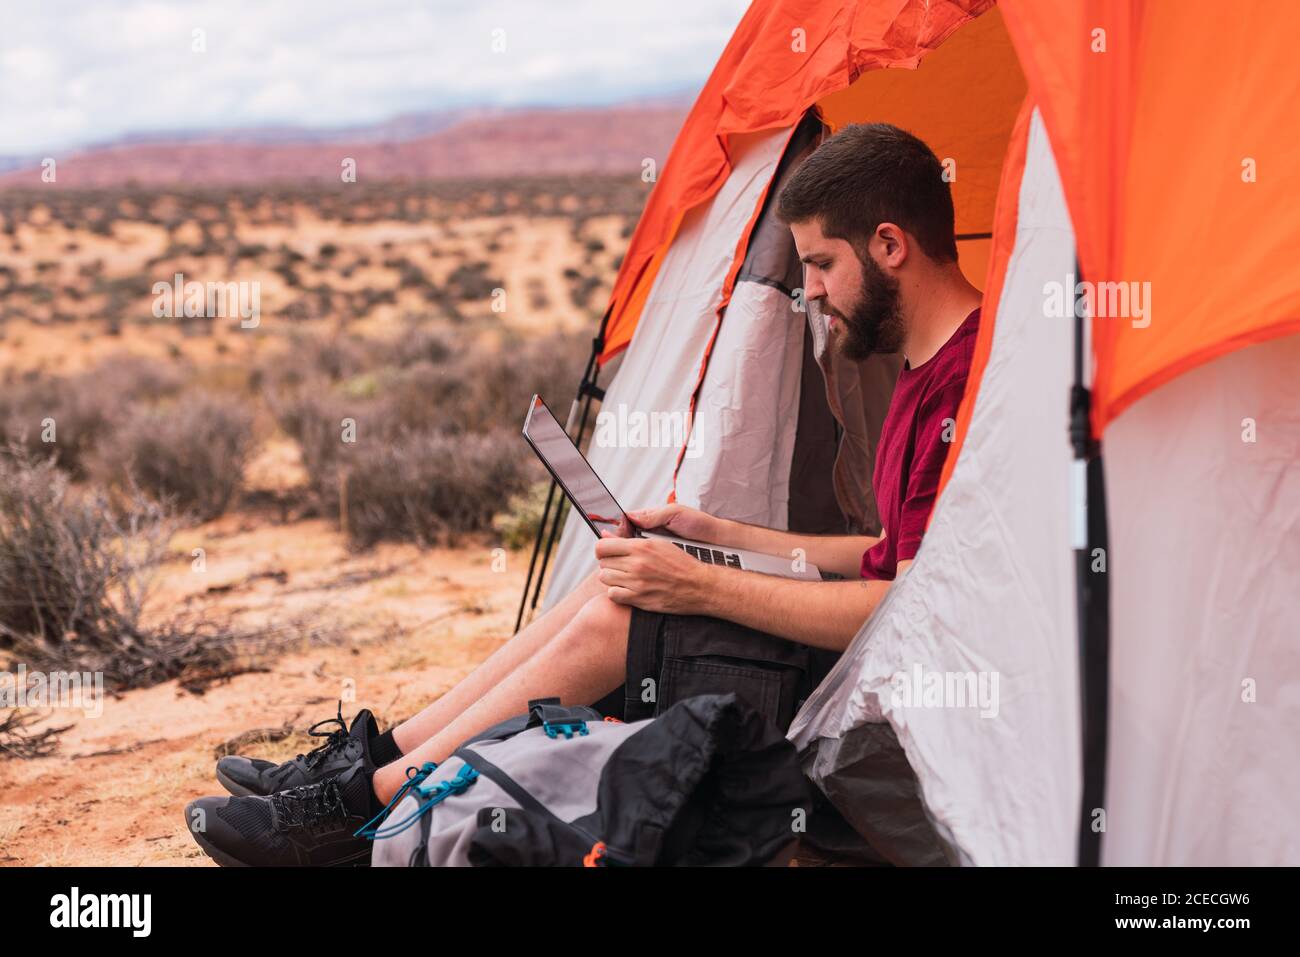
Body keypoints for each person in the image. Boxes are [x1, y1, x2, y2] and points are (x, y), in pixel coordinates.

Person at [184, 122, 984, 867]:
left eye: (820, 264)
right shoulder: (921, 368)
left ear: (889, 245)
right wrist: (716, 530)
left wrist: (703, 582)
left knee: (629, 604)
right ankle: (377, 759)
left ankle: (362, 812)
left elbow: (898, 602)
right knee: (635, 567)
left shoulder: (969, 384)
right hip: (863, 651)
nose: (808, 290)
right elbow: (887, 554)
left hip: (890, 692)